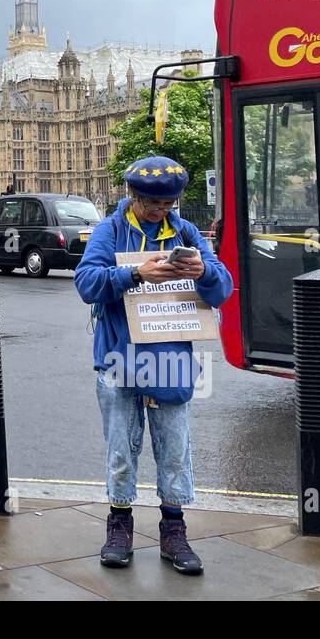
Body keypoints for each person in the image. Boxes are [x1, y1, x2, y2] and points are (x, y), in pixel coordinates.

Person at [74, 157, 233, 575]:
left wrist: (204, 271)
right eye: (152, 205)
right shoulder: (110, 231)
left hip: (171, 361)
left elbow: (222, 288)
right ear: (133, 197)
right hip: (120, 358)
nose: (161, 211)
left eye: (168, 204)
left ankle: (174, 531)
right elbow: (87, 283)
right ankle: (119, 526)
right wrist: (133, 273)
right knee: (121, 452)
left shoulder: (185, 232)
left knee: (175, 453)